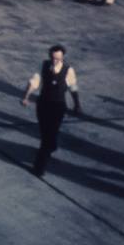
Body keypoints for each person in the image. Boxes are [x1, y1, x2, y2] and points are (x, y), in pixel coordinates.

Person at [19, 44, 80, 177]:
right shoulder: (43, 66)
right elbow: (34, 82)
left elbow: (73, 87)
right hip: (43, 106)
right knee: (46, 133)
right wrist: (26, 96)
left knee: (47, 138)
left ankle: (38, 168)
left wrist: (77, 104)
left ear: (62, 57)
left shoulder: (68, 70)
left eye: (57, 59)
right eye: (53, 58)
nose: (54, 61)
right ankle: (51, 147)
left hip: (58, 107)